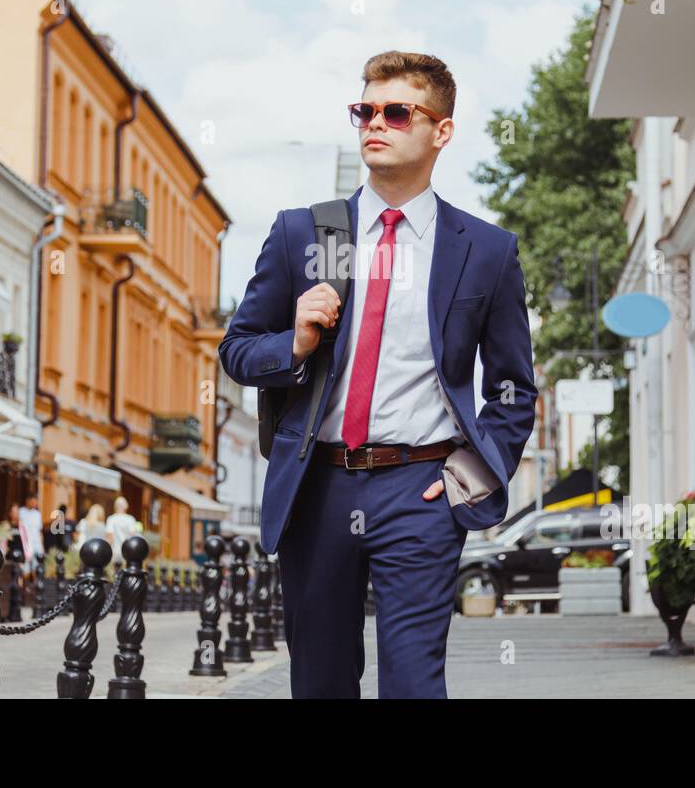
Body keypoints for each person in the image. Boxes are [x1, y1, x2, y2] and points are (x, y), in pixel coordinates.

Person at [218, 51, 536, 699]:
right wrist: (296, 341)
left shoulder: (484, 251)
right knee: (322, 682)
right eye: (365, 110)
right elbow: (238, 350)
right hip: (319, 485)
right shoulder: (309, 234)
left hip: (421, 489)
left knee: (415, 682)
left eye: (397, 112)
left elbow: (512, 389)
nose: (376, 123)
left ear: (440, 131)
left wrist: (468, 479)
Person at [104, 496, 137, 565]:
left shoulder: (111, 519)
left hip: (115, 551)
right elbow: (132, 536)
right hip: (127, 552)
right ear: (126, 506)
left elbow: (109, 538)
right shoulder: (130, 519)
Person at [17, 495, 44, 573]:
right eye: (33, 502)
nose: (34, 504)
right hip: (26, 543)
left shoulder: (37, 514)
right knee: (26, 567)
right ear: (27, 501)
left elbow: (39, 530)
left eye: (35, 502)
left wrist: (42, 545)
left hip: (37, 543)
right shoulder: (21, 512)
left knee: (37, 566)